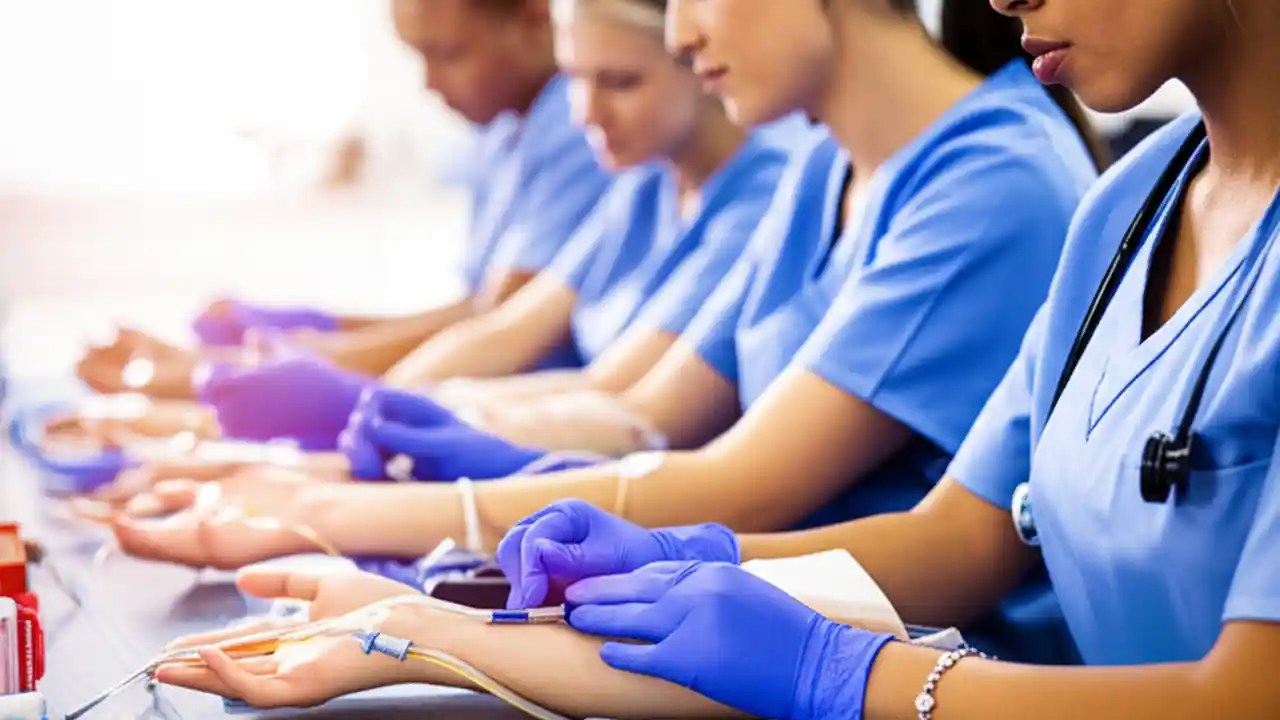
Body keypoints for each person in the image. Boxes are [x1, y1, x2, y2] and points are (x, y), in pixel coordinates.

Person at [119, 0, 1100, 665]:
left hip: (894, 648)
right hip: (759, 615)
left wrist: (343, 511)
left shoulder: (989, 181)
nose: (678, 31)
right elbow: (644, 410)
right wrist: (330, 473)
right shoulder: (821, 172)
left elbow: (742, 480)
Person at [73, 0, 613, 401]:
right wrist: (301, 336)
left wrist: (232, 370)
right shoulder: (502, 134)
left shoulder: (579, 128)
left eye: (446, 53)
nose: (428, 82)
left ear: (533, 17)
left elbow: (497, 324)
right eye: (416, 56)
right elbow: (472, 311)